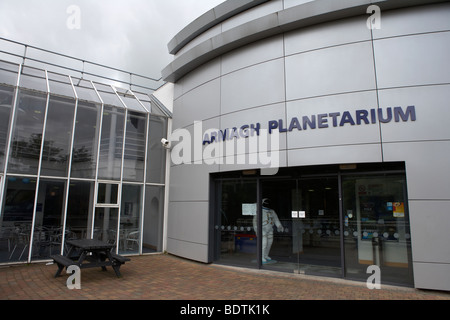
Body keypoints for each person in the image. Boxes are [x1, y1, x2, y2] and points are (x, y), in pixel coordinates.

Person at [253, 198, 284, 263]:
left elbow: (276, 219)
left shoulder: (272, 211)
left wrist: (279, 226)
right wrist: (256, 229)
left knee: (269, 243)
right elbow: (255, 221)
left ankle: (266, 255)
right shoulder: (259, 211)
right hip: (262, 228)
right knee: (264, 243)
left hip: (270, 228)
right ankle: (261, 257)